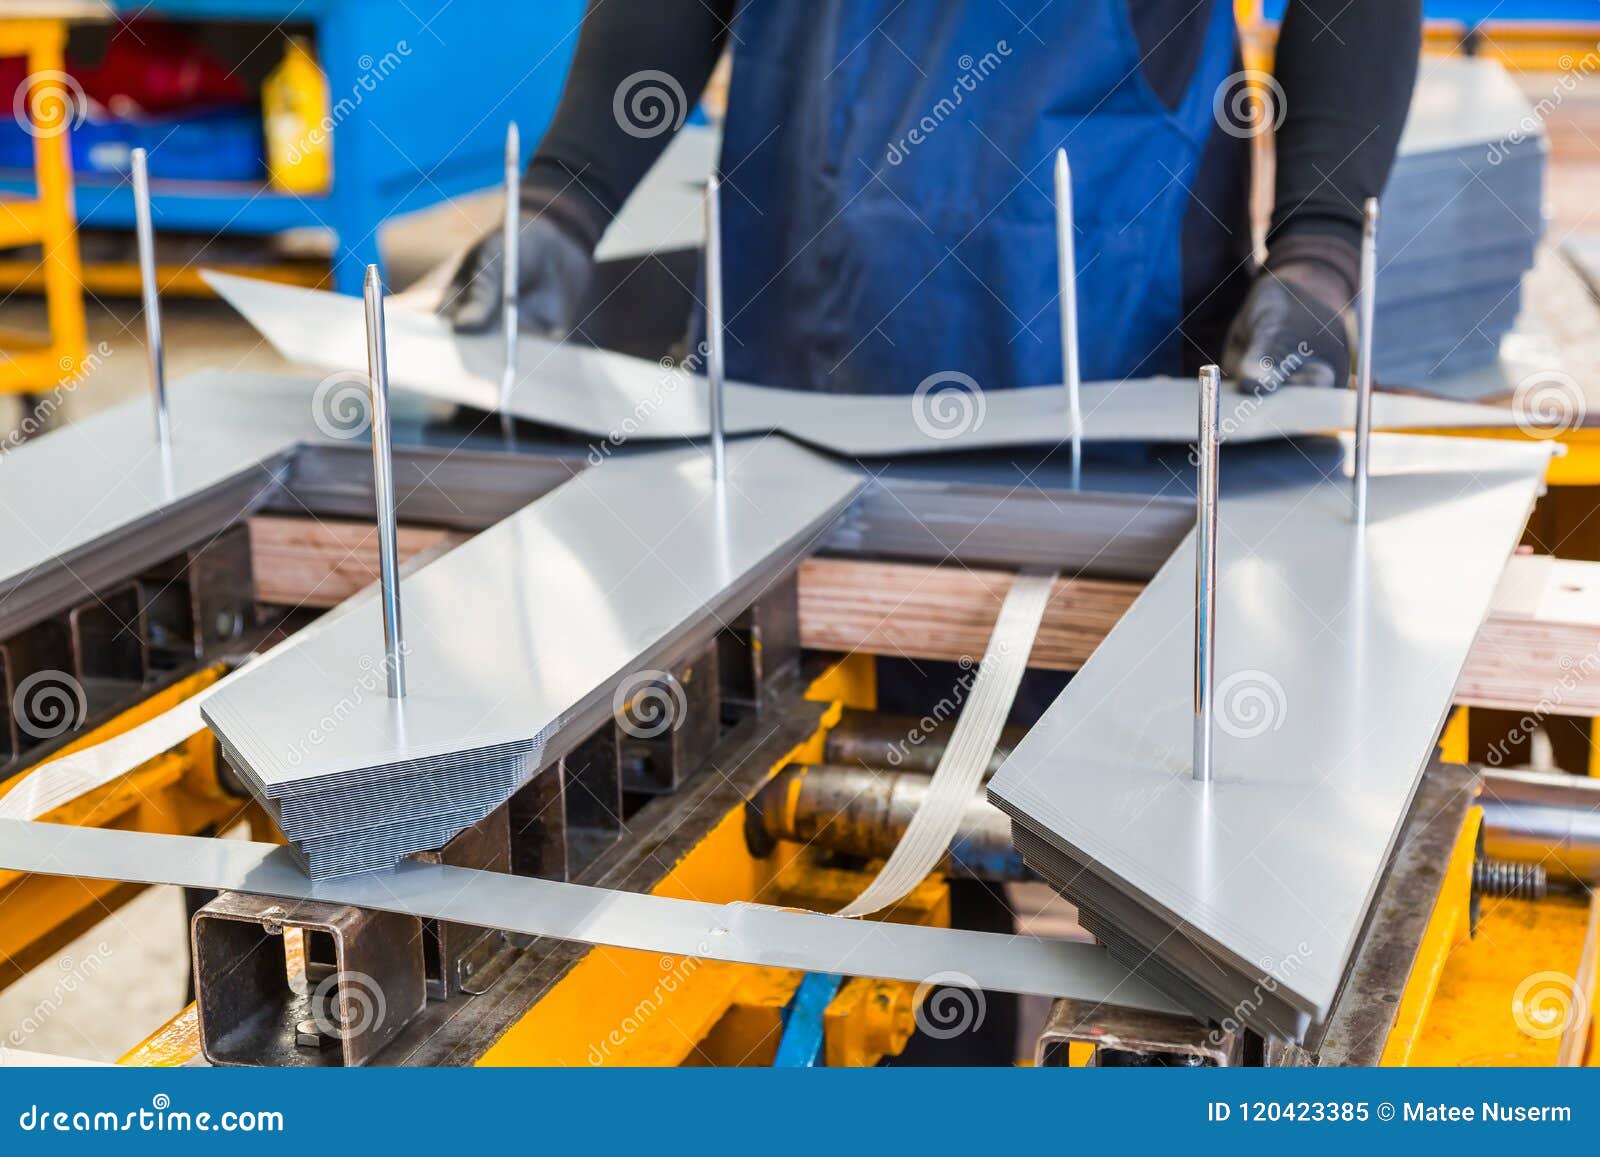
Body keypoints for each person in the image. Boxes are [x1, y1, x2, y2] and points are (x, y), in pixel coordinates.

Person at [445, 1, 1421, 397]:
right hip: (789, 337)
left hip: (1101, 341)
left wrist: (1321, 254)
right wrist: (567, 199)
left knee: (1086, 771)